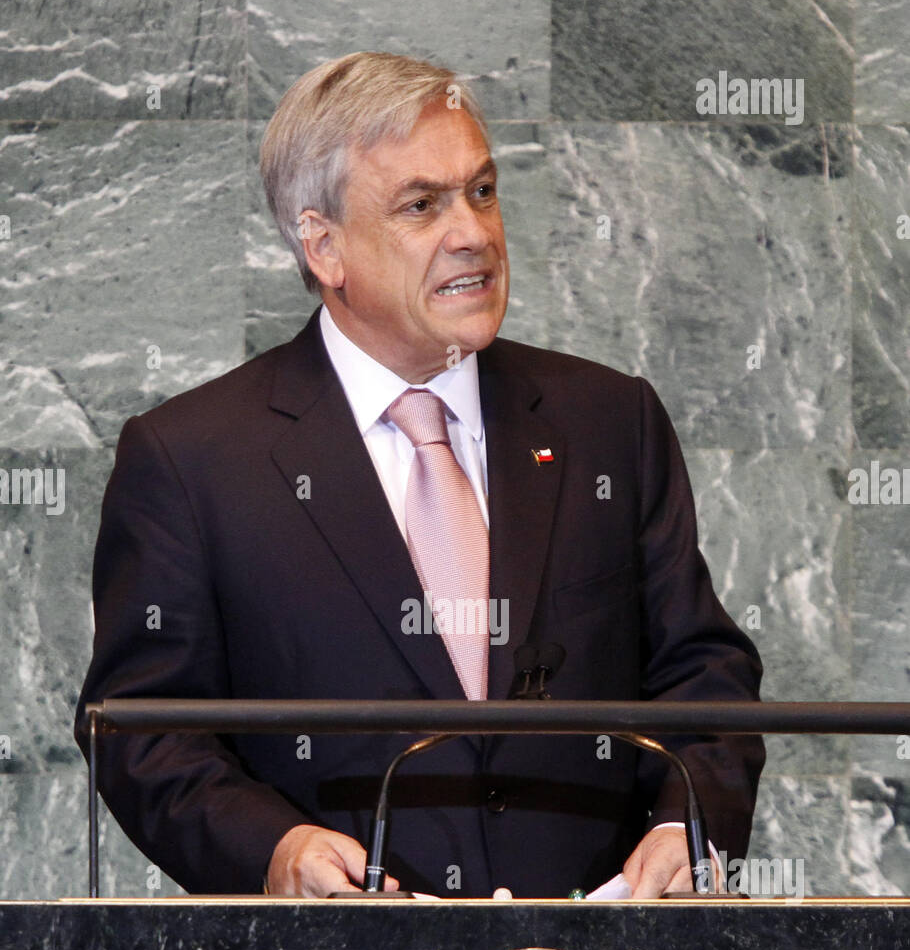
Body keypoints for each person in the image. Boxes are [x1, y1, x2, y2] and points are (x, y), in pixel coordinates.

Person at [75, 51, 765, 900]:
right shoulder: (192, 459)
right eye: (421, 204)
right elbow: (141, 733)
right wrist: (277, 850)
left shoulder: (608, 422)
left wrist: (683, 827)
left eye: (481, 190)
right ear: (323, 246)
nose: (473, 232)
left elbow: (706, 672)